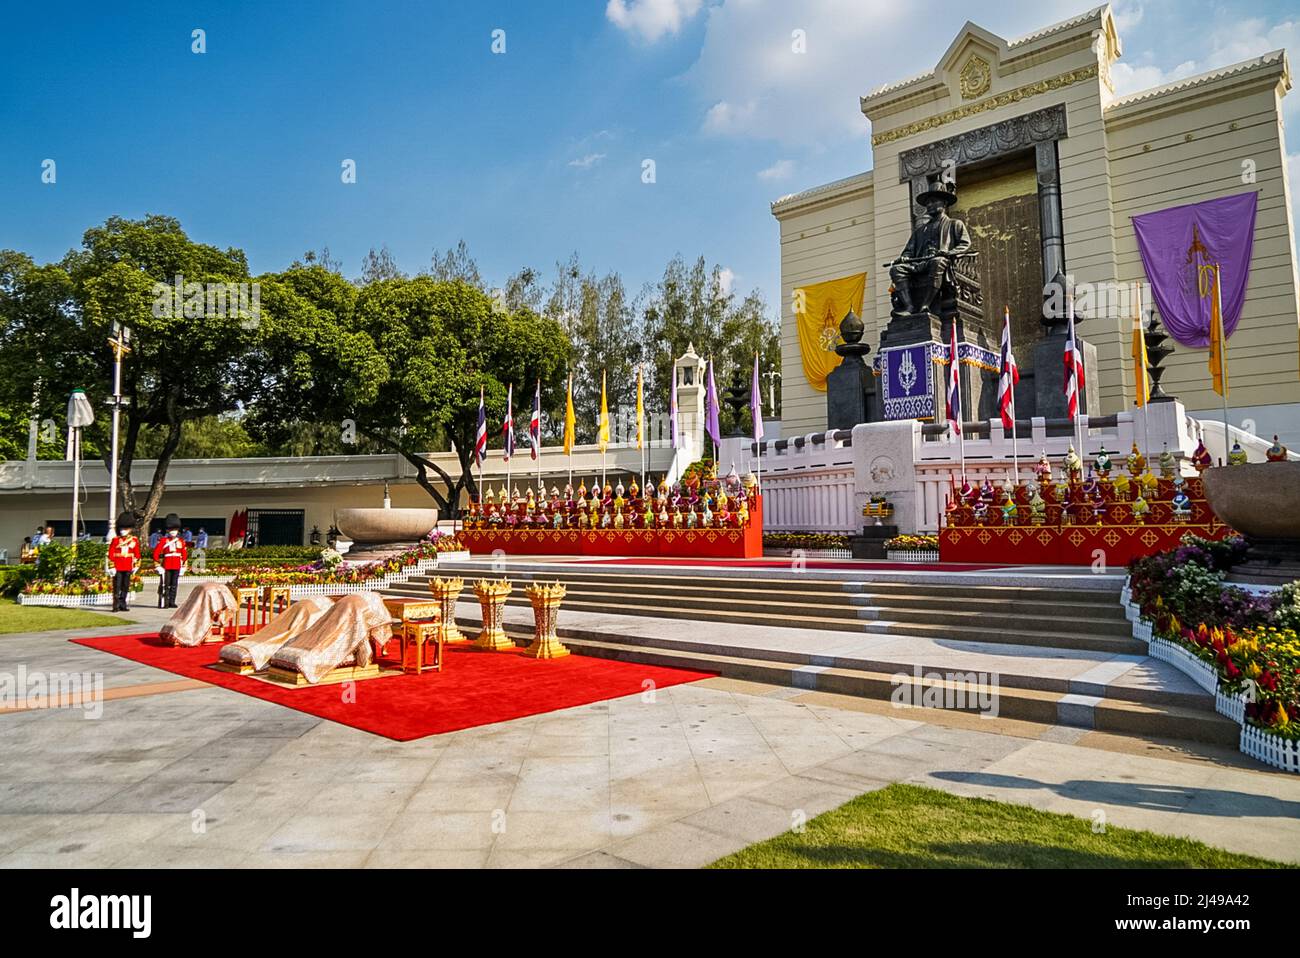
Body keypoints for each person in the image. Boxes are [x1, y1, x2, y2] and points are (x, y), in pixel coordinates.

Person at [153, 513, 188, 609]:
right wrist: (157, 565)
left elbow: (184, 554)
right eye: (171, 530)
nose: (173, 532)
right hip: (166, 565)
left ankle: (172, 601)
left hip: (176, 565)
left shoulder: (181, 541)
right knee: (165, 584)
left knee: (174, 585)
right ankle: (165, 601)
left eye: (175, 530)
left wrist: (184, 566)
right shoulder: (164, 541)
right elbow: (156, 553)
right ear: (168, 530)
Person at [108, 512, 140, 612]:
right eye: (121, 529)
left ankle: (123, 604)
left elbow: (137, 554)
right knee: (117, 586)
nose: (122, 531)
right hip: (118, 566)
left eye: (125, 529)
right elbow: (111, 554)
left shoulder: (134, 540)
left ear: (130, 529)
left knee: (125, 586)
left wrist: (136, 565)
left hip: (128, 566)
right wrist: (112, 566)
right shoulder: (115, 540)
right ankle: (115, 605)